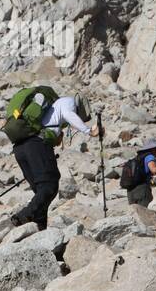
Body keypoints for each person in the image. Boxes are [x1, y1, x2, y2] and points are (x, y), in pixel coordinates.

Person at [11, 94, 97, 231]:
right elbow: (69, 114)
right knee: (49, 185)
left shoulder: (52, 108)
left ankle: (40, 228)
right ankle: (23, 216)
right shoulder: (68, 102)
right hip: (36, 145)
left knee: (40, 191)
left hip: (20, 148)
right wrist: (88, 130)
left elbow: (52, 131)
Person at [127, 138, 156, 207]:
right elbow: (154, 170)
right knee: (146, 213)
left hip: (130, 192)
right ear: (153, 149)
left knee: (136, 214)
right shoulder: (149, 156)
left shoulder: (138, 158)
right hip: (142, 191)